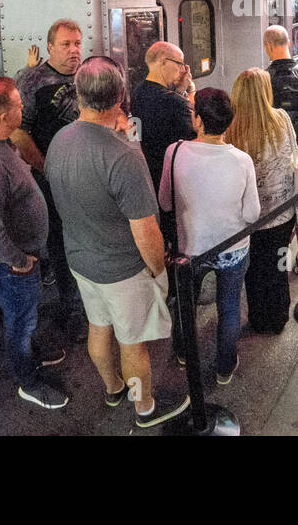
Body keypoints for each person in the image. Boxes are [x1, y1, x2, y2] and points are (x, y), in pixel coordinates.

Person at [44, 57, 190, 428]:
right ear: (121, 96)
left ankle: (112, 388)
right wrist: (159, 271)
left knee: (98, 327)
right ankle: (145, 408)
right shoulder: (123, 155)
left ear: (78, 96)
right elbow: (145, 228)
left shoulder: (60, 140)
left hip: (81, 261)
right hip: (123, 270)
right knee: (133, 343)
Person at [0, 77, 68, 409]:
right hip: (11, 264)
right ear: (4, 115)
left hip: (18, 257)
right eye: (19, 105)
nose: (24, 109)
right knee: (19, 322)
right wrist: (21, 261)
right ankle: (27, 380)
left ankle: (31, 352)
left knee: (24, 314)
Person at [160, 88, 260, 384]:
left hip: (189, 247)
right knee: (229, 305)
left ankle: (182, 351)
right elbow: (253, 214)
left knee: (185, 303)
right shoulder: (242, 160)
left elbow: (165, 202)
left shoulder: (174, 152)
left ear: (200, 120)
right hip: (232, 247)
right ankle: (224, 366)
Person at [11, 19, 90, 338]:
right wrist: (46, 167)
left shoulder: (87, 74)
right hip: (50, 176)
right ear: (50, 47)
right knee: (59, 241)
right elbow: (19, 131)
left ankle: (91, 300)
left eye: (77, 43)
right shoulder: (31, 80)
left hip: (86, 173)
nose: (74, 50)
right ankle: (72, 307)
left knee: (85, 237)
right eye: (67, 44)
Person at [226, 68, 298, 333]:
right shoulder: (281, 118)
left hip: (249, 218)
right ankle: (278, 316)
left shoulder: (232, 127)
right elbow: (294, 156)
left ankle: (258, 318)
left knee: (254, 271)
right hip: (282, 214)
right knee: (278, 267)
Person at [131, 41, 197, 278]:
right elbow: (194, 140)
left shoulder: (137, 93)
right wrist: (189, 92)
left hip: (148, 175)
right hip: (173, 180)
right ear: (162, 62)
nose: (183, 70)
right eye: (180, 64)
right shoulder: (175, 103)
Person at [263, 25, 298, 273]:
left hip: (276, 152)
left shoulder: (264, 79)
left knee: (282, 209)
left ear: (267, 47)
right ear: (289, 42)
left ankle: (281, 259)